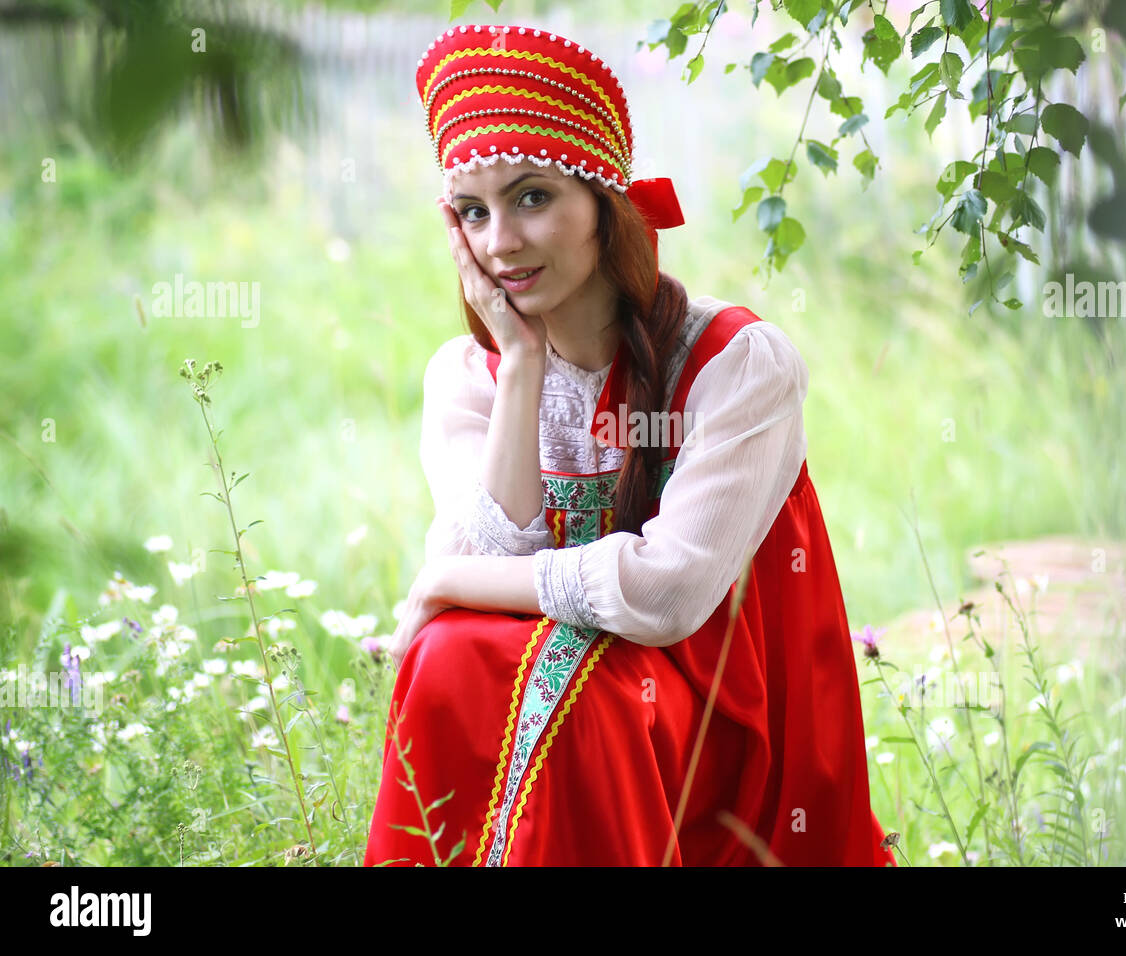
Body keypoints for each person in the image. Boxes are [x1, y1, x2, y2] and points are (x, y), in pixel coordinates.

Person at [362, 22, 896, 867]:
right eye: (473, 211)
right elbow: (492, 586)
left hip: (718, 735)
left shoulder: (734, 364)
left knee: (581, 697)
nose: (499, 243)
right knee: (450, 652)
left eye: (531, 198)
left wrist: (445, 577)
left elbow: (666, 594)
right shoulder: (470, 377)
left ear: (604, 202)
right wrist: (522, 368)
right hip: (586, 707)